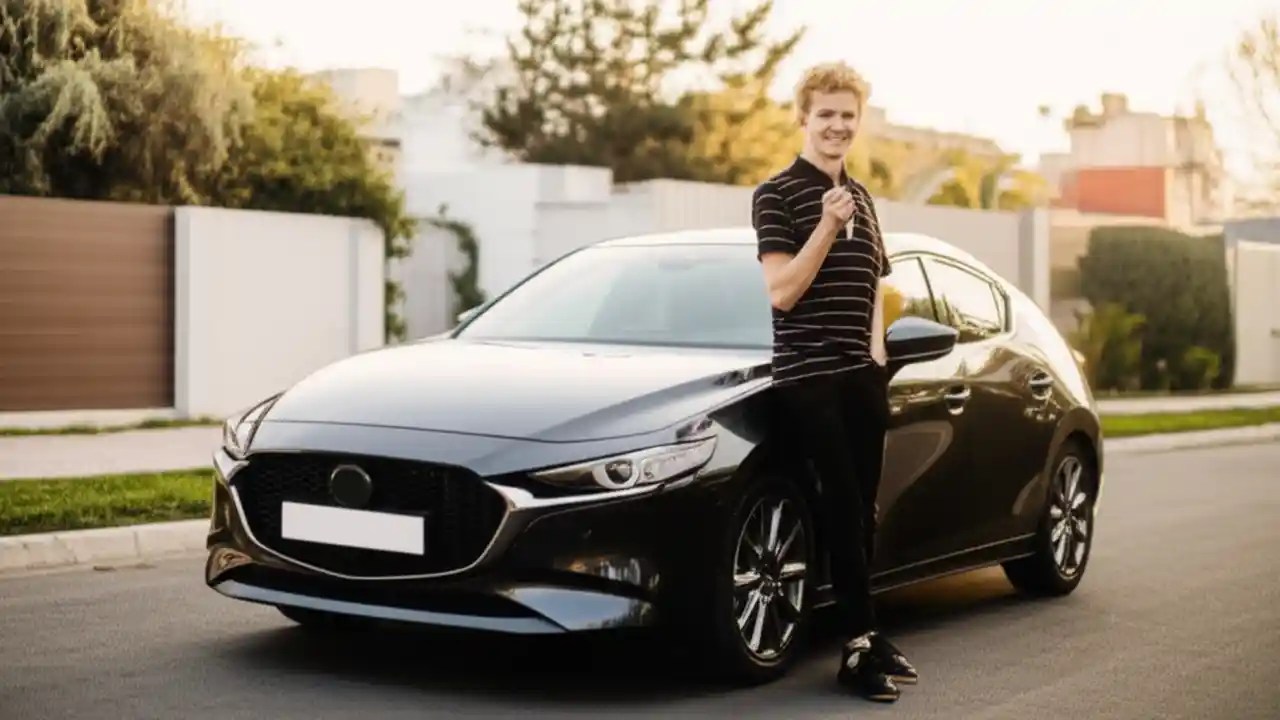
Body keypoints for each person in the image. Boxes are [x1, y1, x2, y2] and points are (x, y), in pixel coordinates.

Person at [751, 61, 917, 703]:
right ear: (804, 117)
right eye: (826, 114)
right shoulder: (776, 194)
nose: (838, 126)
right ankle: (855, 648)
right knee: (843, 508)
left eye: (848, 115)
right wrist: (824, 222)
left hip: (860, 379)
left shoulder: (866, 198)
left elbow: (877, 287)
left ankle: (866, 633)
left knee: (863, 512)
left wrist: (877, 362)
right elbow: (783, 292)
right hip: (809, 376)